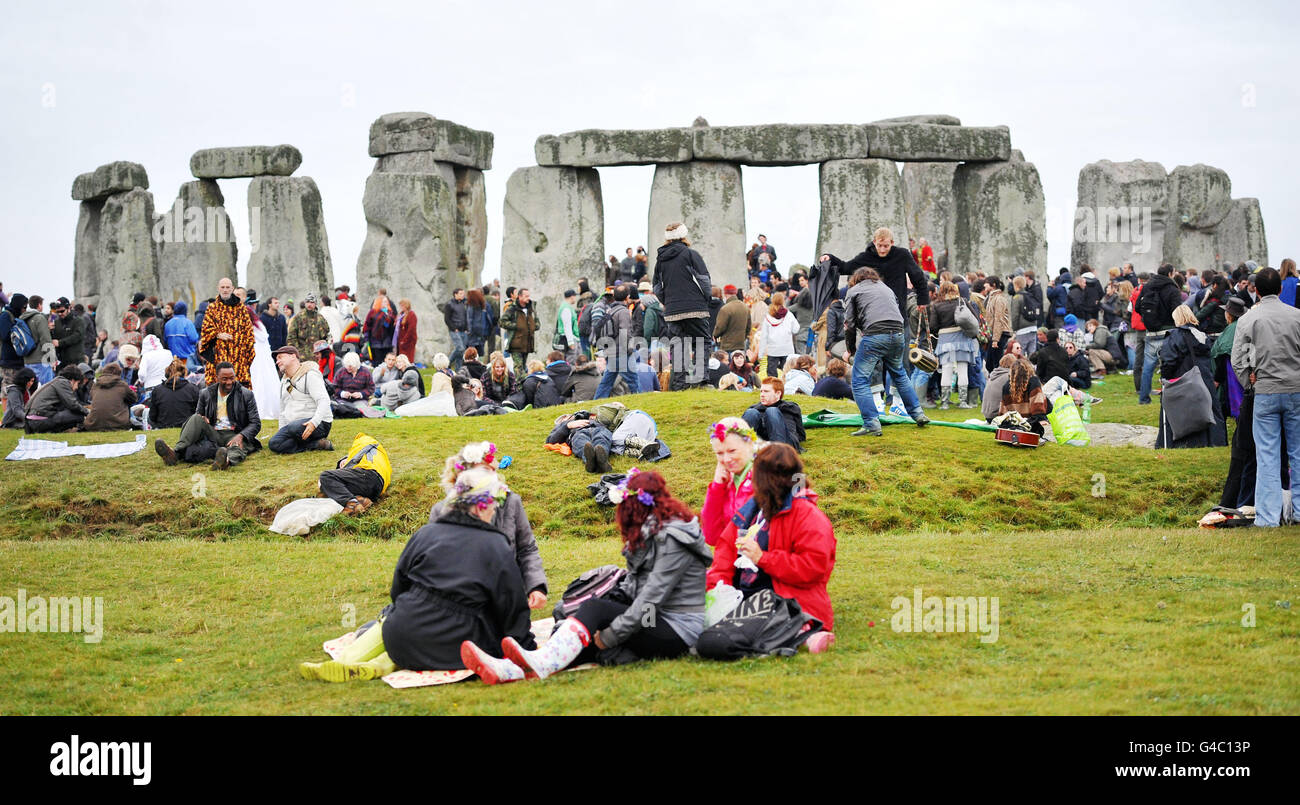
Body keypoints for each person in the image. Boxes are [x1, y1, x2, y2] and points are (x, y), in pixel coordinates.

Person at [462, 468, 709, 684]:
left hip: (676, 628)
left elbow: (650, 600)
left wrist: (610, 635)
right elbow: (638, 591)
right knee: (585, 639)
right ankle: (508, 670)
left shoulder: (673, 540)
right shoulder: (654, 530)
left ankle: (536, 660)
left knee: (597, 611)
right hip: (653, 617)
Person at [300, 466, 536, 682]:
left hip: (401, 636)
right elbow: (512, 605)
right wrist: (527, 647)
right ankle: (374, 666)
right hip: (457, 642)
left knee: (399, 629)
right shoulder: (496, 544)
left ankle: (361, 663)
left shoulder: (426, 533)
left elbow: (398, 589)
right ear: (482, 505)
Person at [698, 442, 836, 657]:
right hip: (742, 595)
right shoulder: (753, 509)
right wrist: (715, 589)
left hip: (783, 601)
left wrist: (763, 558)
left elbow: (813, 568)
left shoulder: (808, 516)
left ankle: (803, 631)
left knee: (714, 643)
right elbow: (724, 552)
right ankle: (795, 634)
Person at [428, 442, 548, 606]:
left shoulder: (510, 502)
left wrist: (536, 586)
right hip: (461, 601)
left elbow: (526, 548)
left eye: (491, 471)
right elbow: (436, 562)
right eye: (482, 471)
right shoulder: (442, 511)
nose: (490, 476)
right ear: (465, 475)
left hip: (507, 596)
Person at [1230, 267, 1300, 527]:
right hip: (1296, 390)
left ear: (1255, 290)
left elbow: (1238, 359)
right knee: (1298, 452)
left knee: (1267, 455)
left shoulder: (1249, 319)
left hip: (1265, 391)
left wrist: (1249, 379)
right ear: (1281, 289)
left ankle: (1268, 517)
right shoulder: (1297, 316)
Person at [840, 266, 930, 434]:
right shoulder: (886, 288)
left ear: (855, 279)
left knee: (859, 379)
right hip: (897, 333)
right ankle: (918, 413)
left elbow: (849, 325)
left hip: (875, 334)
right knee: (900, 374)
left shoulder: (853, 291)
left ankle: (871, 423)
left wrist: (850, 350)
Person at [821, 227, 930, 333]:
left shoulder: (902, 255)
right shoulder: (866, 257)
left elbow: (917, 276)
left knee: (901, 347)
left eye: (886, 246)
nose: (882, 250)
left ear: (892, 243)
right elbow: (845, 267)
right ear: (874, 242)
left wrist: (922, 300)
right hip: (874, 315)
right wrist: (830, 259)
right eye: (879, 245)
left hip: (898, 312)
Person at [154, 362, 262, 469]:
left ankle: (226, 462)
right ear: (217, 378)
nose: (229, 382)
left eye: (232, 378)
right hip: (213, 433)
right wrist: (203, 417)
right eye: (225, 379)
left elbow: (255, 423)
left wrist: (241, 436)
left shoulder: (246, 394)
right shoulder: (205, 393)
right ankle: (175, 453)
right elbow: (199, 415)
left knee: (236, 447)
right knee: (195, 418)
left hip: (235, 433)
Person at [653, 222, 714, 390]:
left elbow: (657, 287)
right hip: (695, 306)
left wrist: (668, 302)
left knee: (678, 345)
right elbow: (704, 280)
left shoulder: (660, 260)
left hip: (673, 310)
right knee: (702, 342)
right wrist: (706, 299)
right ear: (683, 235)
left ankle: (680, 384)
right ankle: (701, 380)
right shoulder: (691, 254)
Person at [1156, 304, 1226, 449]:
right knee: (1209, 409)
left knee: (1180, 411)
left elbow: (1169, 360)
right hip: (1204, 378)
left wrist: (1165, 377)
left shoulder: (1175, 336)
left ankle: (1176, 443)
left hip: (1183, 378)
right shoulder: (1202, 335)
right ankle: (1215, 442)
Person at [701, 417, 760, 548]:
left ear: (750, 444)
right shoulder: (729, 481)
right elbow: (711, 536)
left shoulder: (765, 479)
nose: (726, 459)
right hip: (735, 558)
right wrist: (717, 487)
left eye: (732, 451)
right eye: (719, 453)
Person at [269, 346, 333, 453]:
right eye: (276, 359)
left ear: (293, 356)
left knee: (294, 428)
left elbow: (324, 400)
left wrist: (314, 422)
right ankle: (315, 444)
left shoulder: (310, 375)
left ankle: (315, 438)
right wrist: (282, 431)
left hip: (319, 423)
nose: (277, 362)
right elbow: (282, 409)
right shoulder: (284, 381)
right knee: (274, 443)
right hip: (295, 425)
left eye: (280, 357)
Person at [1135, 264, 1182, 404]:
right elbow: (1177, 310)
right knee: (1171, 364)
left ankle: (1143, 398)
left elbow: (1137, 306)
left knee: (1148, 367)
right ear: (1170, 274)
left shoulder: (1147, 286)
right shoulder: (1172, 289)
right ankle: (1172, 397)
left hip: (1151, 331)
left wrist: (1148, 319)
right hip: (1168, 330)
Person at [928, 280, 979, 409]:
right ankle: (963, 402)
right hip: (962, 339)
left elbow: (933, 326)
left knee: (946, 370)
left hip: (945, 340)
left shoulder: (936, 305)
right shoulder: (962, 301)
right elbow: (975, 319)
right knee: (963, 370)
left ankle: (945, 402)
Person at [198, 278, 255, 387]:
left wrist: (245, 352)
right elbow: (205, 330)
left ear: (232, 289)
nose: (225, 290)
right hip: (218, 356)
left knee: (239, 395)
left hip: (239, 358)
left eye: (227, 287)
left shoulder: (241, 309)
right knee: (218, 394)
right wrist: (218, 335)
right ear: (218, 288)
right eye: (222, 287)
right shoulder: (212, 308)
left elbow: (249, 334)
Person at [318, 432, 392, 515]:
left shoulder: (363, 440)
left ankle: (352, 504)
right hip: (378, 487)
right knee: (340, 487)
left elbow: (355, 457)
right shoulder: (379, 452)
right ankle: (361, 500)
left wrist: (346, 465)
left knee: (327, 476)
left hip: (368, 474)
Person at [595, 286, 636, 399]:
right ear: (627, 297)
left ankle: (597, 401)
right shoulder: (623, 312)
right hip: (621, 353)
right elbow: (625, 332)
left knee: (606, 383)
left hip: (611, 351)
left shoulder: (610, 310)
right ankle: (640, 403)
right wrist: (629, 350)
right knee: (633, 381)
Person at [743, 377, 805, 451]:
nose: (762, 395)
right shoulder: (754, 409)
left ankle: (778, 453)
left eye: (766, 391)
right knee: (751, 413)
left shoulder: (790, 408)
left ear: (778, 393)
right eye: (761, 391)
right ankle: (742, 450)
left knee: (772, 411)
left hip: (786, 444)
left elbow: (801, 435)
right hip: (761, 443)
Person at [23, 365, 87, 433]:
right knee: (79, 416)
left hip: (31, 422)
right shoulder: (63, 383)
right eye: (78, 383)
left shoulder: (55, 382)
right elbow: (73, 405)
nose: (77, 387)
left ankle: (54, 430)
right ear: (73, 380)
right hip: (38, 422)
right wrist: (88, 412)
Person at [81, 362, 137, 431]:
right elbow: (134, 399)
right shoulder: (122, 385)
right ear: (119, 374)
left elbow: (92, 397)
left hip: (94, 424)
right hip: (118, 424)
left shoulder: (95, 385)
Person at [147, 359, 200, 430]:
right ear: (184, 373)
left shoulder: (157, 390)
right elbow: (199, 413)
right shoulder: (193, 389)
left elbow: (152, 416)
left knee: (147, 414)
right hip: (187, 427)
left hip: (163, 426)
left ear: (167, 374)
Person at [756, 292, 799, 378]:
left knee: (772, 374)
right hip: (787, 348)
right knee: (787, 373)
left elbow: (764, 336)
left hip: (773, 349)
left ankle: (773, 389)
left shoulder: (768, 317)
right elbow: (796, 329)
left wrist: (760, 353)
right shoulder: (789, 315)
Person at [500, 287, 539, 378]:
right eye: (526, 296)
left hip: (528, 342)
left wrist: (535, 326)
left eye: (528, 296)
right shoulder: (512, 308)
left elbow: (536, 319)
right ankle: (519, 385)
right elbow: (502, 322)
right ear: (520, 297)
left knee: (524, 365)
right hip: (516, 343)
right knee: (518, 366)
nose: (528, 298)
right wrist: (516, 326)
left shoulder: (531, 307)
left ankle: (523, 384)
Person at [249, 314, 281, 421]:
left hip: (256, 357)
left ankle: (259, 409)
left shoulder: (251, 326)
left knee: (258, 382)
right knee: (267, 382)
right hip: (264, 359)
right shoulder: (259, 325)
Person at [21, 296, 55, 385]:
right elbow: (46, 340)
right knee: (45, 390)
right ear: (39, 305)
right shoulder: (39, 318)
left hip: (27, 360)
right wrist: (52, 359)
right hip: (41, 360)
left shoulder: (22, 318)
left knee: (32, 390)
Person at [286, 294, 331, 360]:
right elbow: (291, 338)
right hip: (302, 358)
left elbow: (326, 337)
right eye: (307, 302)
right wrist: (296, 354)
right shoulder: (298, 318)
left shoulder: (321, 319)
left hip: (318, 358)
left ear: (315, 304)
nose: (309, 304)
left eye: (312, 302)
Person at [49, 298, 84, 370]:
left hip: (75, 359)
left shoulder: (78, 320)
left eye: (62, 311)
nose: (60, 313)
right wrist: (50, 330)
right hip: (61, 361)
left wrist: (60, 343)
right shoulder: (56, 321)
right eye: (58, 311)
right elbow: (53, 340)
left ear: (69, 308)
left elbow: (77, 336)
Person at [165, 300, 200, 370]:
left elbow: (165, 340)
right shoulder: (188, 323)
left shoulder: (168, 324)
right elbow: (194, 339)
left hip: (173, 360)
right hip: (187, 359)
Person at [392, 298, 418, 363]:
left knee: (407, 358)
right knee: (400, 358)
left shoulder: (411, 315)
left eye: (402, 305)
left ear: (406, 305)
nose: (401, 307)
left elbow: (411, 329)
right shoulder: (401, 315)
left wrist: (404, 340)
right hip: (400, 340)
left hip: (408, 341)